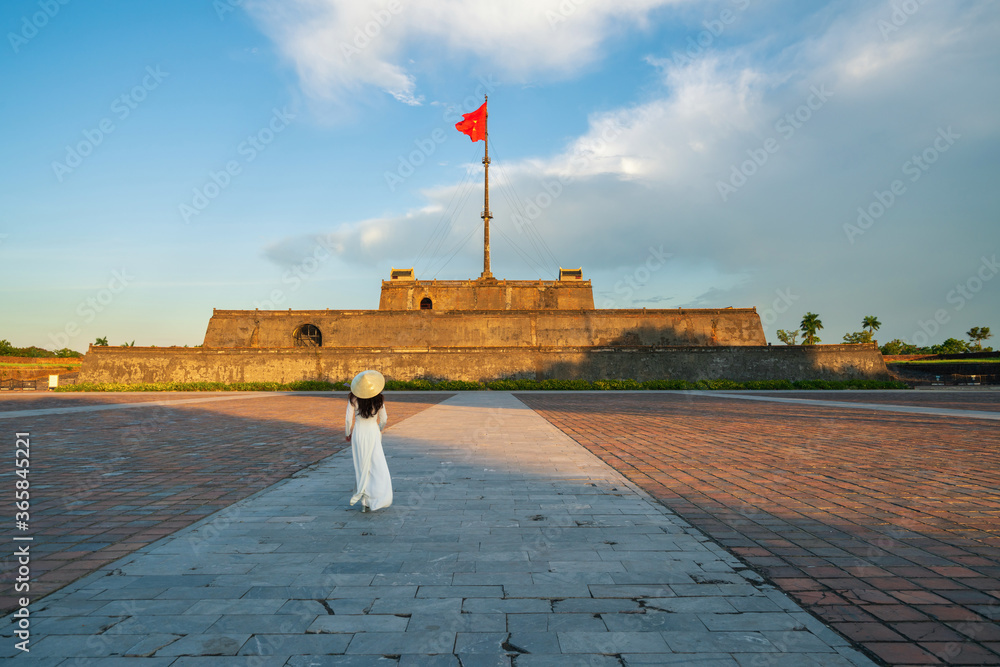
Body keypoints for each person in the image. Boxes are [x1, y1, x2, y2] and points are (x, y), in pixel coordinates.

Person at [345, 370, 392, 512]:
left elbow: (348, 419)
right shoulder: (379, 399)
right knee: (375, 465)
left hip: (359, 433)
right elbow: (384, 419)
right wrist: (379, 428)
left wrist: (348, 433)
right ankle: (374, 497)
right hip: (373, 432)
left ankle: (364, 501)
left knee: (361, 466)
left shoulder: (353, 398)